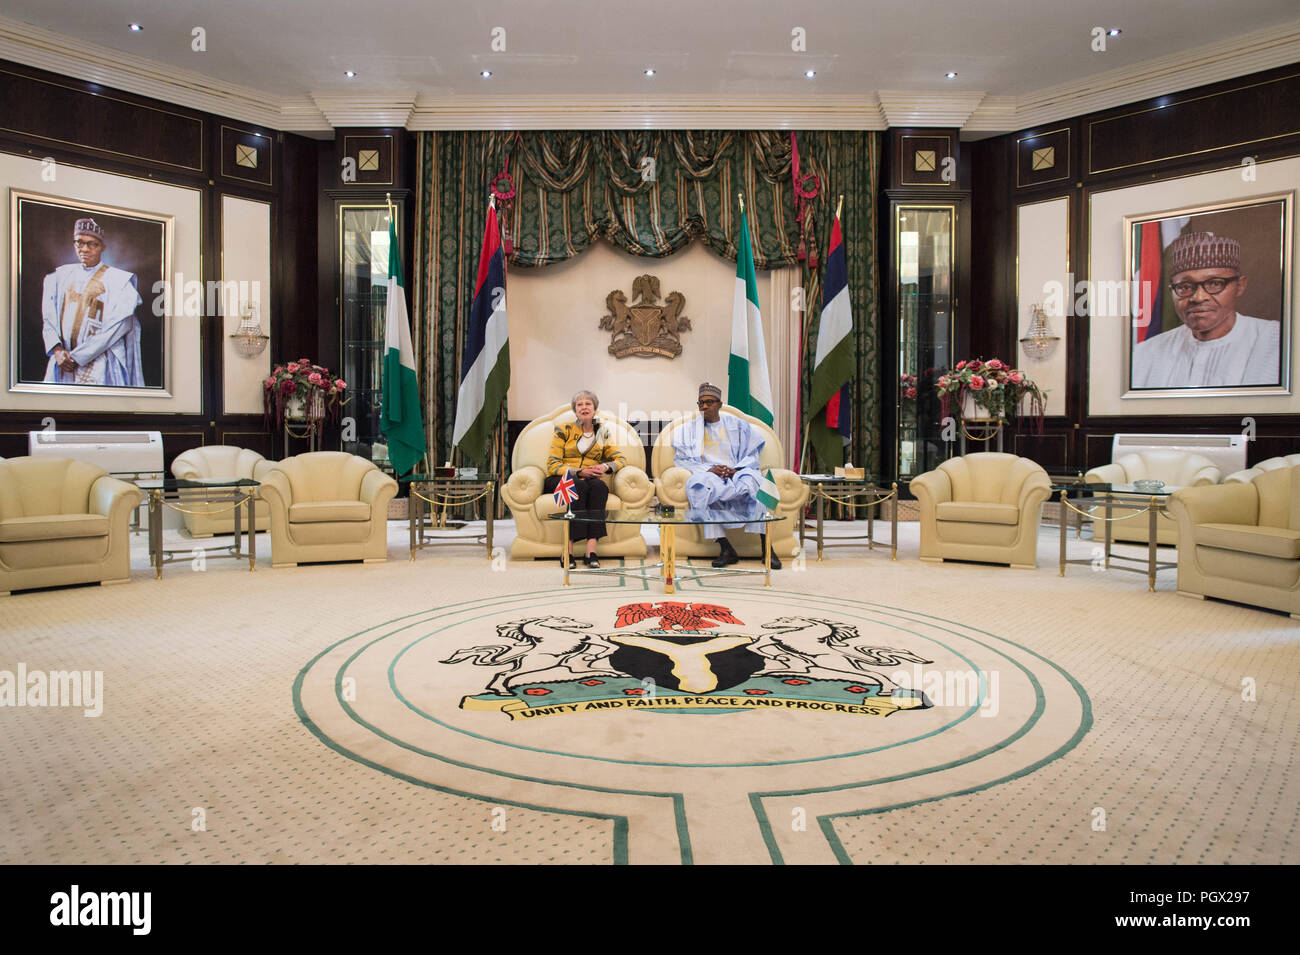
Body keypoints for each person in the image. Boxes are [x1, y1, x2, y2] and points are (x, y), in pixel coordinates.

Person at [1131, 231, 1281, 389]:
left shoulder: (1276, 341)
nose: (1198, 297)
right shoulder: (1145, 353)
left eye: (1215, 283)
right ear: (1172, 290)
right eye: (1185, 286)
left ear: (1239, 286)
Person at [670, 382, 780, 569]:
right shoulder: (690, 429)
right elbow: (683, 459)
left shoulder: (738, 425)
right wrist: (708, 470)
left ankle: (767, 547)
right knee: (697, 487)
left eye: (710, 402)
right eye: (701, 403)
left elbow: (752, 454)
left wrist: (736, 470)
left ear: (720, 404)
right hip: (708, 472)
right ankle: (725, 548)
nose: (704, 406)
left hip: (739, 471)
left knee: (761, 485)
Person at [41, 217, 145, 387]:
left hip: (101, 362)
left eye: (92, 244)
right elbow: (48, 319)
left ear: (102, 247)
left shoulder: (119, 281)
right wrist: (57, 351)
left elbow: (120, 326)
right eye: (79, 242)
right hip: (63, 361)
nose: (84, 249)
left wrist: (79, 356)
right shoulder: (59, 277)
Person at [544, 390, 627, 568]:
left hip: (588, 480)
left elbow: (620, 459)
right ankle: (568, 550)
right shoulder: (563, 430)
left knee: (599, 487)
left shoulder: (602, 432)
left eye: (588, 404)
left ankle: (591, 550)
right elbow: (552, 465)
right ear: (575, 410)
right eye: (579, 404)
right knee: (578, 485)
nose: (584, 407)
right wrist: (579, 471)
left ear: (595, 409)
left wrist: (604, 467)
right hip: (561, 478)